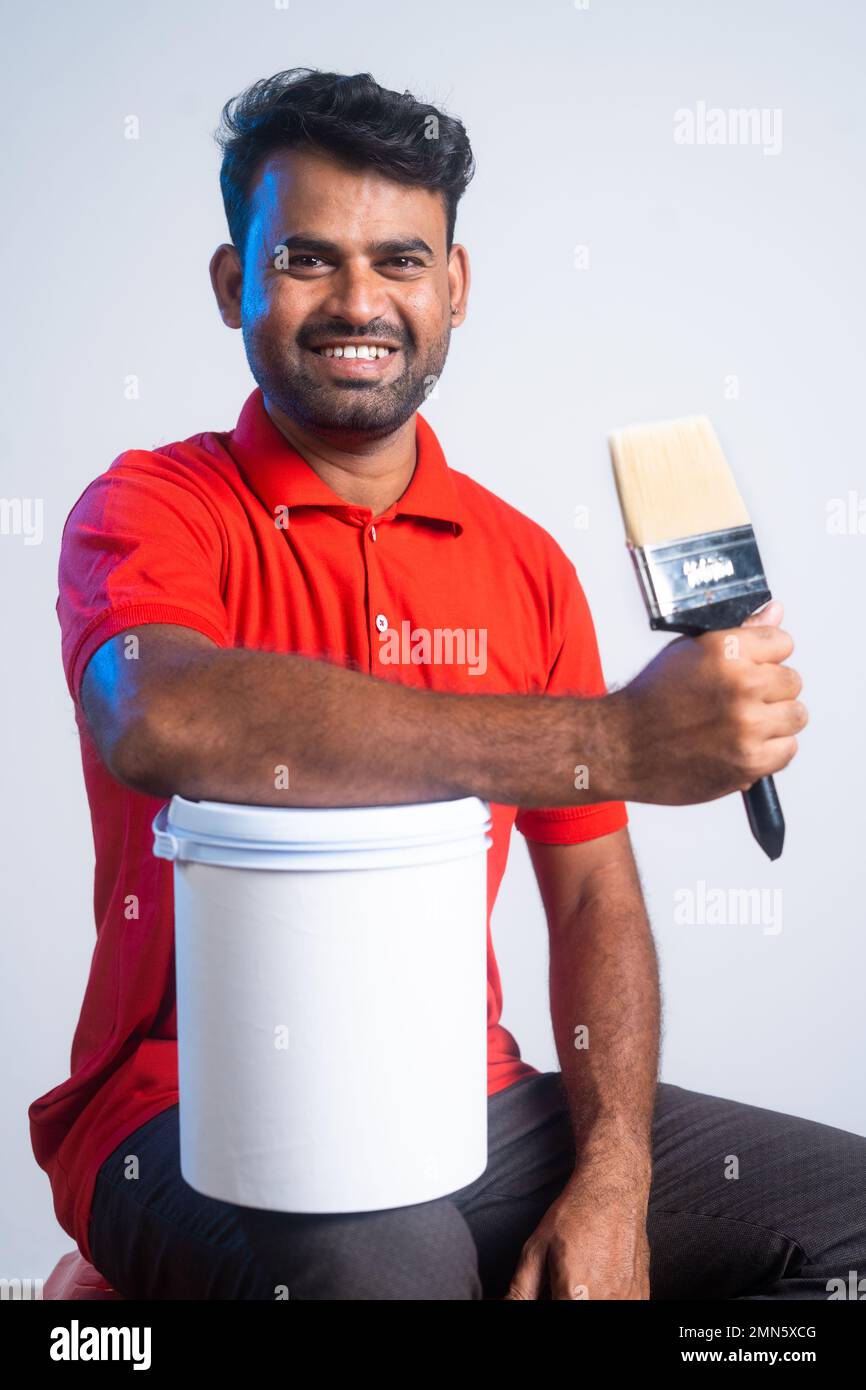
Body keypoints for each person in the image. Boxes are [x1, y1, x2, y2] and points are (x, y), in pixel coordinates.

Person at [30, 67, 863, 1301]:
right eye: (307, 259)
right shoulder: (154, 508)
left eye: (401, 261)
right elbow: (163, 715)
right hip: (188, 1113)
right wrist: (608, 740)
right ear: (231, 285)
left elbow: (589, 904)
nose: (358, 301)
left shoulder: (520, 561)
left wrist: (615, 1176)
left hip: (465, 1103)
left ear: (454, 288)